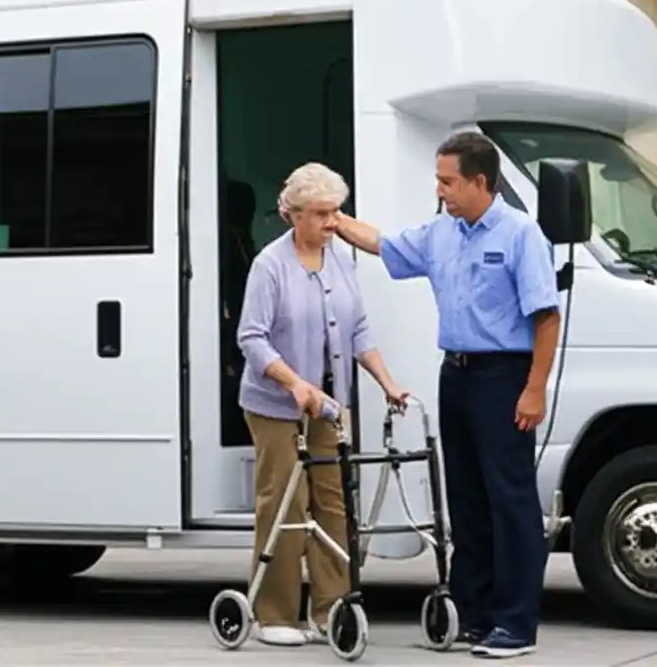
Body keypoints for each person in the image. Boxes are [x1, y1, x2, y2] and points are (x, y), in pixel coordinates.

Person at [333, 132, 560, 659]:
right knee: (465, 498)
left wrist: (534, 389)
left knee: (510, 499)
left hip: (504, 376)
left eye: (448, 181)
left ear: (480, 181)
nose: (440, 191)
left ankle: (516, 624)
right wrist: (334, 219)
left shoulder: (520, 234)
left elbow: (546, 317)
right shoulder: (442, 232)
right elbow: (385, 245)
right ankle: (474, 615)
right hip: (456, 374)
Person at [236, 162, 409, 647]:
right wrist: (294, 383)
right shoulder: (270, 265)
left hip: (330, 406)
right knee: (285, 502)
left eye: (336, 211)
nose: (333, 222)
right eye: (321, 213)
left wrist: (386, 382)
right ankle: (274, 613)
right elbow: (251, 338)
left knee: (333, 503)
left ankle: (331, 608)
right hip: (277, 405)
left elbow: (358, 330)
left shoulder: (339, 259)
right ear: (294, 215)